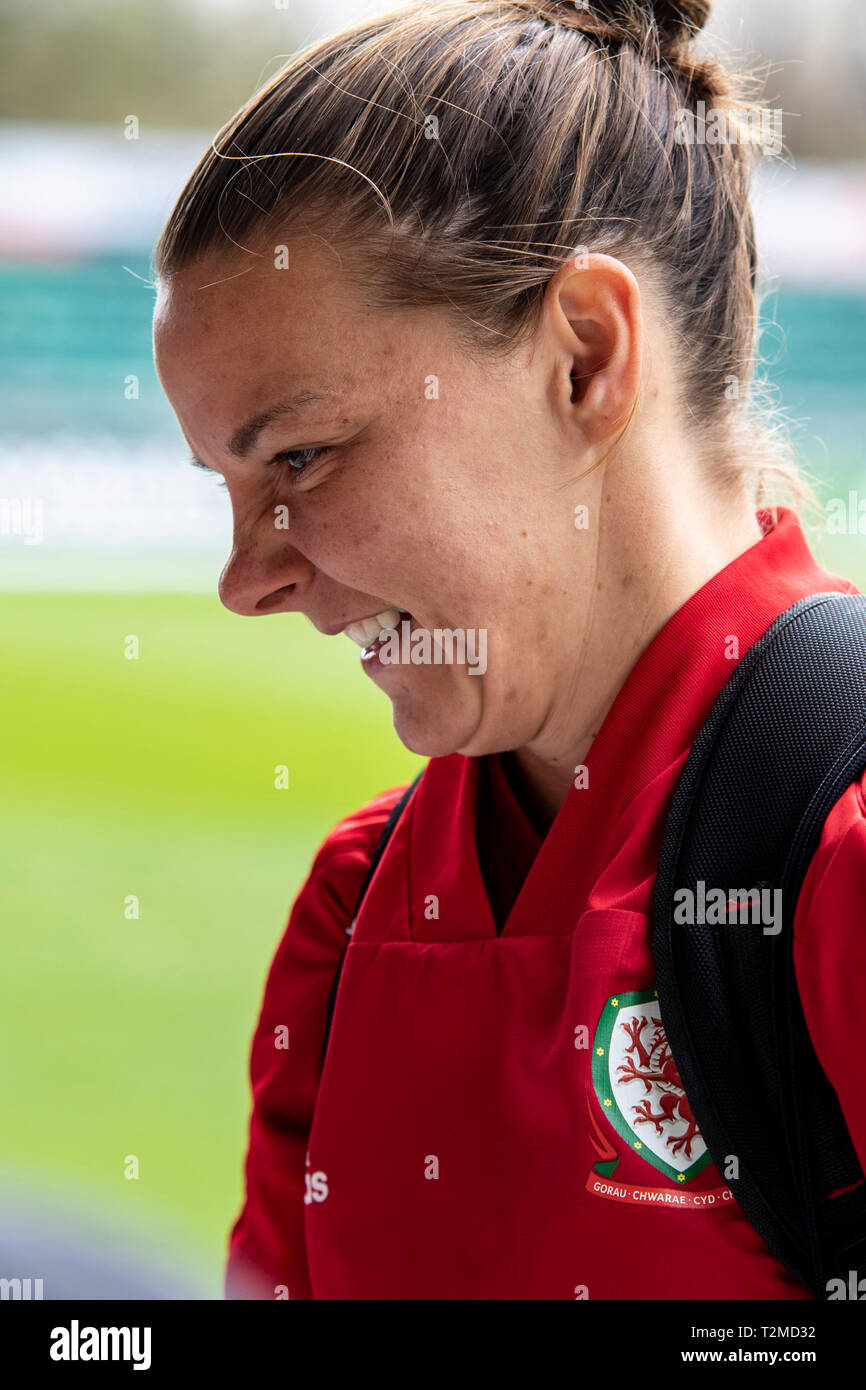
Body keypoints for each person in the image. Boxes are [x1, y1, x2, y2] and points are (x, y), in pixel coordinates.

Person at [151, 0, 866, 1299]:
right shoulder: (356, 903)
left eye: (300, 455)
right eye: (226, 481)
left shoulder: (841, 861)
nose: (246, 579)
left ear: (585, 357)